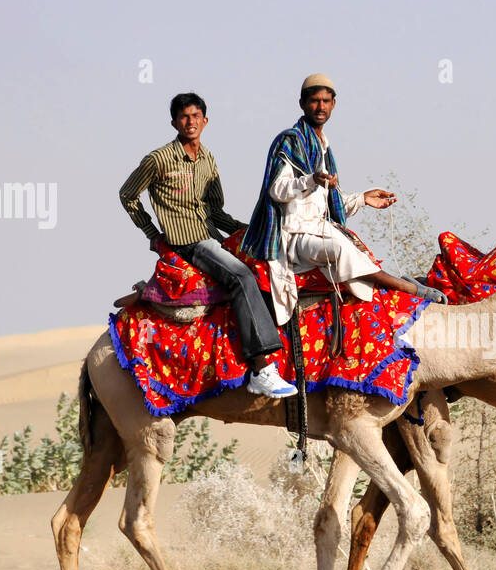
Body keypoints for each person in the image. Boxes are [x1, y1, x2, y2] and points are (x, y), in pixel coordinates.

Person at [119, 92, 296, 397]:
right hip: (189, 240)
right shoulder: (158, 159)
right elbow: (127, 194)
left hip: (210, 233)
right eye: (184, 116)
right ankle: (260, 368)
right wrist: (151, 233)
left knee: (270, 260)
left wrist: (250, 230)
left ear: (205, 120)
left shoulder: (208, 159)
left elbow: (216, 212)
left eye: (196, 116)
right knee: (242, 277)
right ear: (174, 122)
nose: (191, 122)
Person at [243, 73, 446, 325]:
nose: (321, 107)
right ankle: (408, 287)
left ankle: (397, 287)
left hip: (320, 228)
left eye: (326, 101)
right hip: (294, 237)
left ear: (333, 104)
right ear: (303, 103)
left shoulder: (323, 147)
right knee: (340, 250)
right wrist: (311, 179)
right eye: (315, 101)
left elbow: (329, 204)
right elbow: (277, 190)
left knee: (357, 248)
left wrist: (363, 199)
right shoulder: (290, 141)